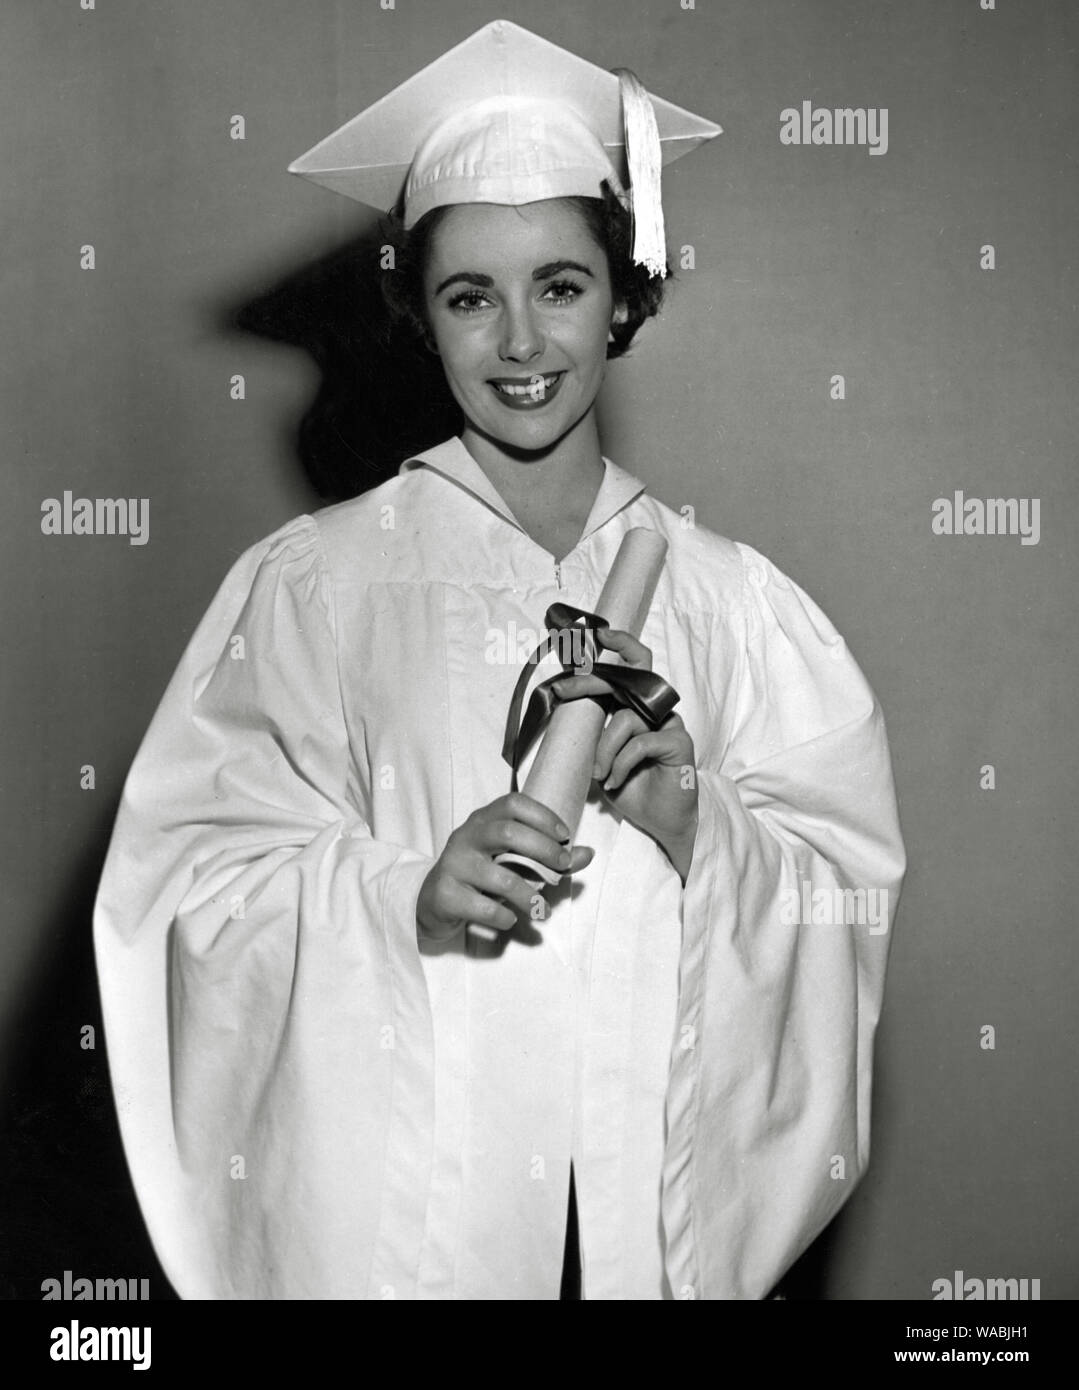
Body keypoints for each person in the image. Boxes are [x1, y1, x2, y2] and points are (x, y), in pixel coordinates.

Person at [93, 19, 906, 1300]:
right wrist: (402, 894)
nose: (520, 342)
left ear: (624, 291)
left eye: (561, 286)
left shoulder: (736, 603)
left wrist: (693, 816)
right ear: (417, 315)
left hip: (649, 1209)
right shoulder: (317, 586)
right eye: (470, 295)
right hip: (420, 1212)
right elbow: (193, 887)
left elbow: (835, 899)